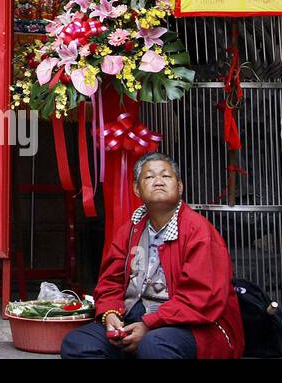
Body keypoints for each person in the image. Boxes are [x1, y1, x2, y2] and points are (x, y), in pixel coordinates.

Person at [61, 152, 245, 359]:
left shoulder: (198, 231)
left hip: (189, 324)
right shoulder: (129, 230)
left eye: (166, 176)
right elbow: (110, 283)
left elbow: (201, 298)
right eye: (149, 177)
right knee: (77, 343)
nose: (158, 181)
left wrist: (150, 323)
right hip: (132, 317)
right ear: (136, 189)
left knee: (153, 346)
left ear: (180, 187)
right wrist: (110, 313)